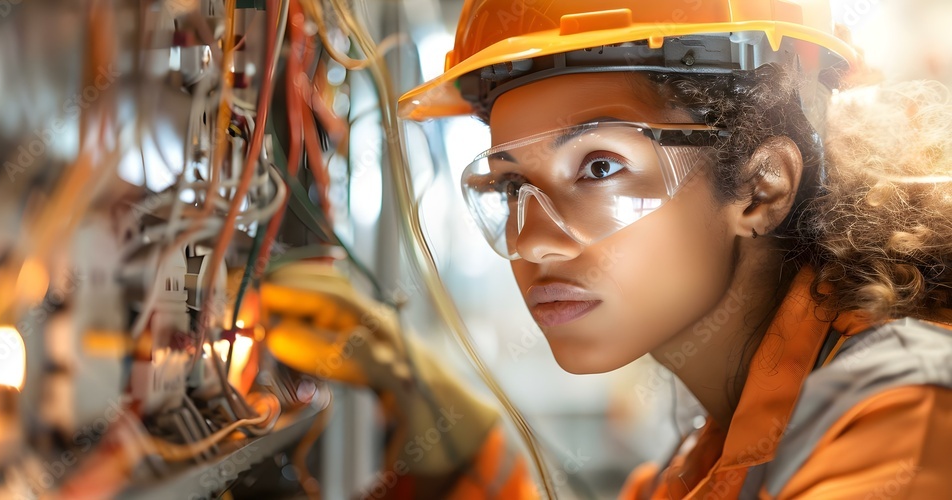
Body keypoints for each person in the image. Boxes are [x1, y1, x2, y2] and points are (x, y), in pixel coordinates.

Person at [261, 0, 952, 498]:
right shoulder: (705, 455)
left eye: (598, 168)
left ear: (761, 189)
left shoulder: (903, 421)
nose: (529, 241)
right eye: (510, 185)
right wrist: (460, 448)